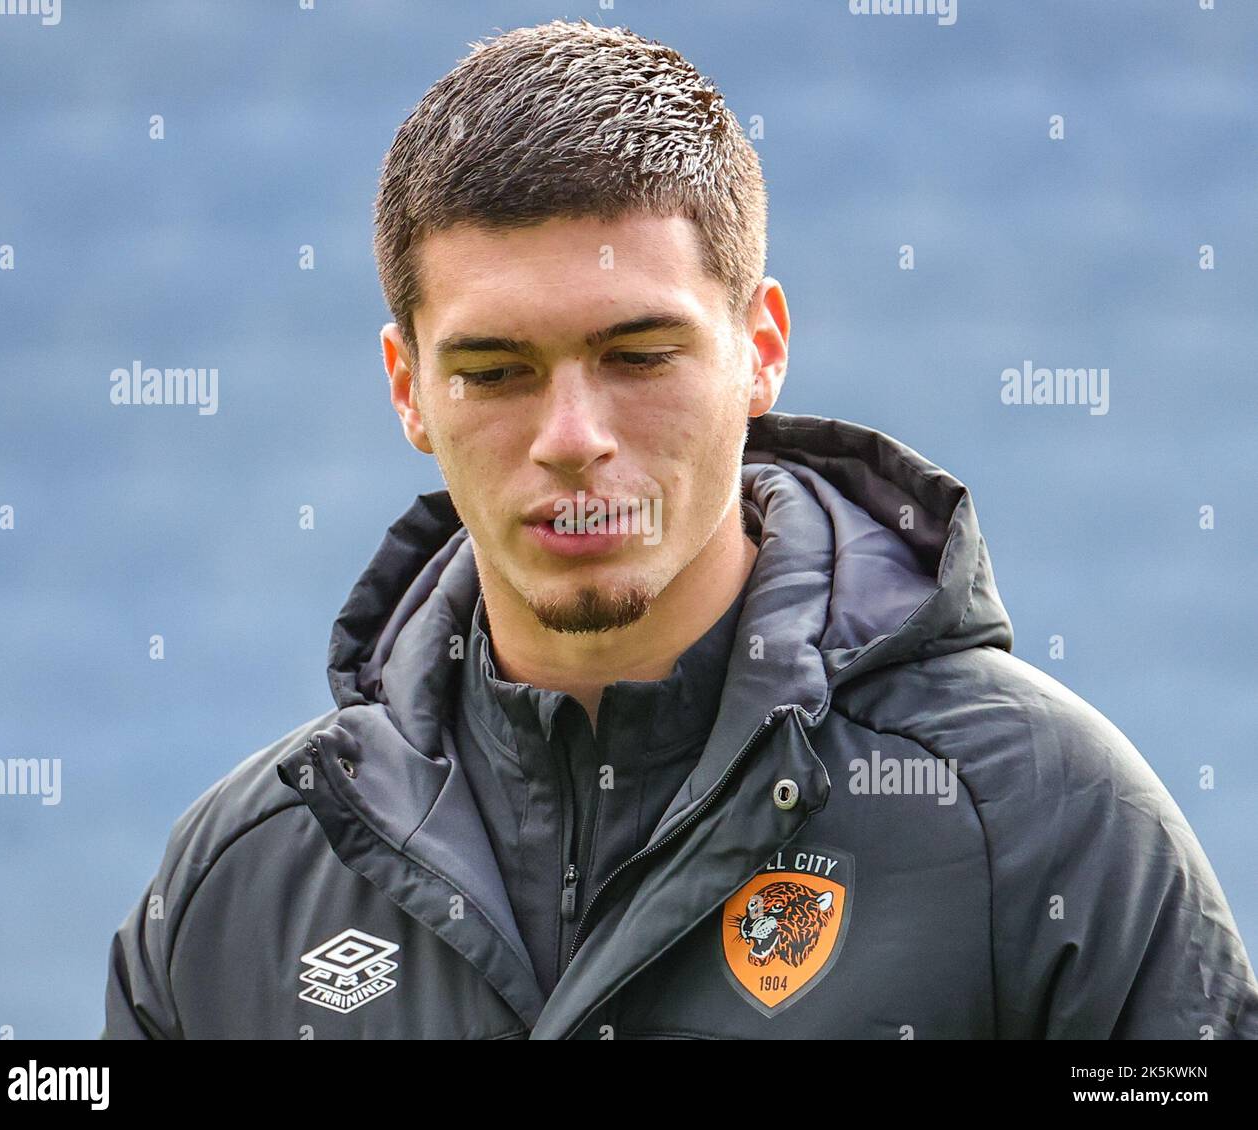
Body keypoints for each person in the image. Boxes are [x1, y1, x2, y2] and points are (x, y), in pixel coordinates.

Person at [103, 18, 1257, 1039]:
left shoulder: (1043, 819)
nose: (572, 434)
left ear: (760, 345)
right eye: (495, 370)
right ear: (407, 387)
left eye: (638, 356)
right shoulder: (234, 891)